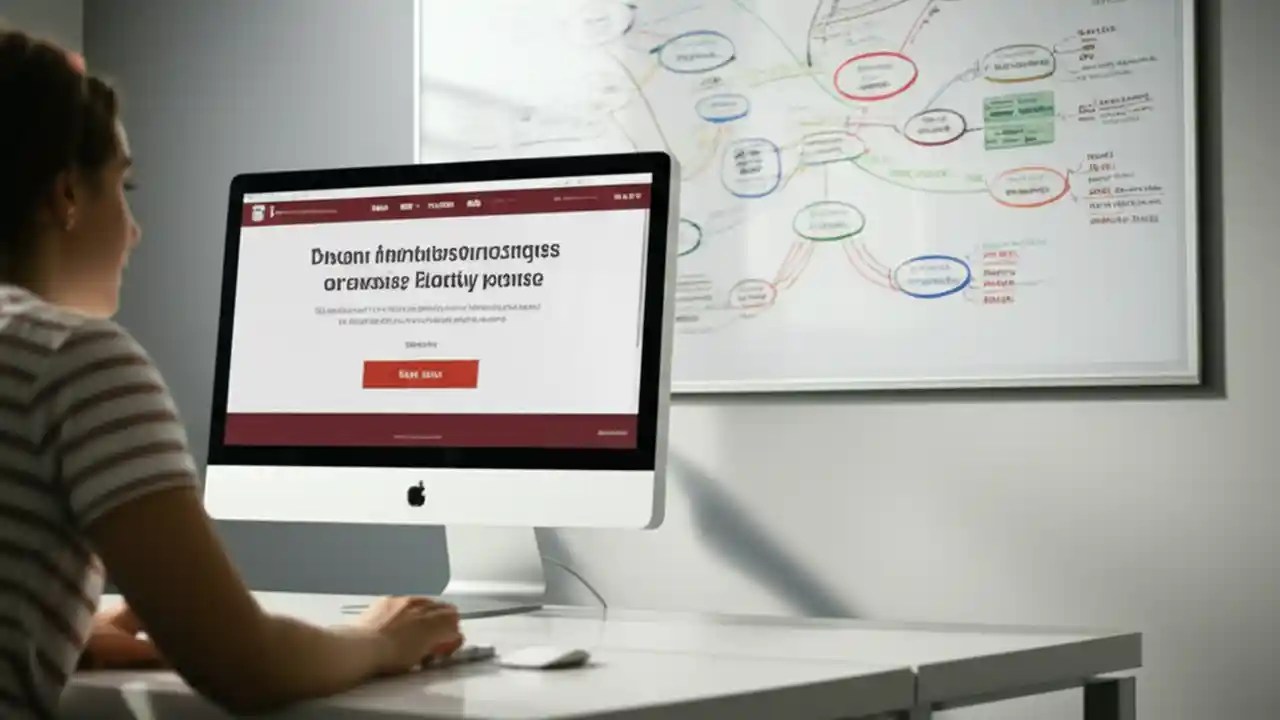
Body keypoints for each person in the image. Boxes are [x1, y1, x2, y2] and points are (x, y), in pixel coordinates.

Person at [0, 26, 464, 719]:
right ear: (66, 195)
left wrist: (66, 629)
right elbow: (246, 665)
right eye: (125, 185)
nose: (135, 229)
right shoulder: (75, 360)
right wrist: (376, 639)